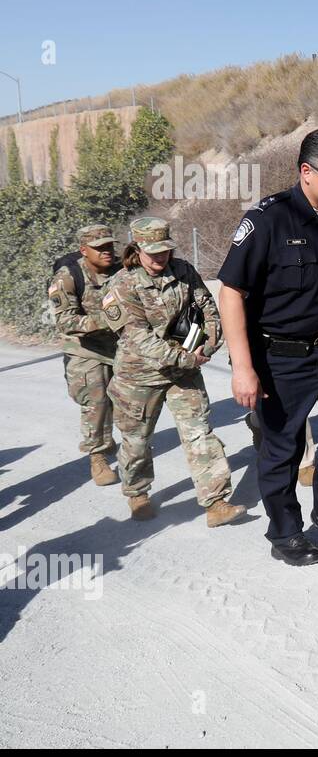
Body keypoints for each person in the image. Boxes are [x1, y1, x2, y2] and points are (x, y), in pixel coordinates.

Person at [217, 128, 318, 567]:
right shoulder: (269, 218)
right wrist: (242, 368)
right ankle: (285, 530)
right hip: (278, 358)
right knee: (282, 448)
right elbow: (230, 291)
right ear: (306, 172)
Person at [100, 217, 246, 526]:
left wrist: (207, 345)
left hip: (183, 373)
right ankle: (137, 493)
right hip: (138, 375)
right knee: (136, 441)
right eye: (152, 252)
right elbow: (138, 339)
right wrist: (187, 359)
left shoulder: (183, 272)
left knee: (199, 433)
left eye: (164, 250)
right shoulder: (122, 285)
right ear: (137, 249)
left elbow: (208, 308)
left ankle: (216, 502)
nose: (160, 258)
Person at [48, 224, 122, 486]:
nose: (107, 252)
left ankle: (109, 437)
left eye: (110, 246)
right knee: (96, 399)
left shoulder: (122, 269)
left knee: (123, 398)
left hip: (118, 347)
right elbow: (66, 321)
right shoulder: (68, 276)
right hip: (85, 348)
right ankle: (97, 456)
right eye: (99, 248)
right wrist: (109, 320)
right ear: (83, 250)